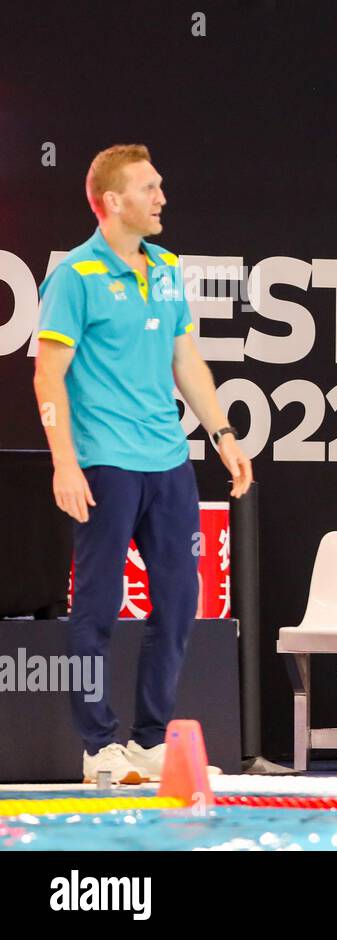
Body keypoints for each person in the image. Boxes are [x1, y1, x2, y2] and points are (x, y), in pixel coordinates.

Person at [33, 144, 253, 783]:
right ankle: (97, 745)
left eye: (160, 186)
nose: (162, 198)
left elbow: (187, 359)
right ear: (112, 202)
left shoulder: (164, 267)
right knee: (97, 607)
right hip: (104, 462)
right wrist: (64, 464)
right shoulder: (73, 277)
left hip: (168, 461)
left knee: (180, 601)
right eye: (149, 188)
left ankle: (150, 740)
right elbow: (49, 378)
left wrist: (223, 434)